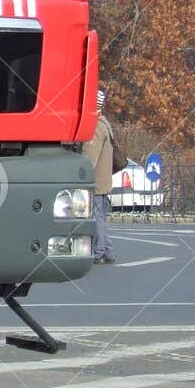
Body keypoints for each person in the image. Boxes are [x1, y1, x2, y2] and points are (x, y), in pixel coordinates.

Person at [83, 88, 116, 263]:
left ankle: (99, 250)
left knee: (96, 217)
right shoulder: (105, 124)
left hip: (96, 181)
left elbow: (89, 160)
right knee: (100, 215)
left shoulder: (95, 127)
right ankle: (107, 250)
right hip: (103, 180)